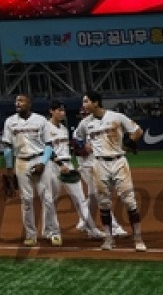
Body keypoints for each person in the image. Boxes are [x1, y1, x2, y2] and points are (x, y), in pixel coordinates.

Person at [73, 91, 147, 252]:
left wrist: (129, 143)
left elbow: (138, 131)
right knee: (104, 203)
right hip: (99, 164)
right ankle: (108, 238)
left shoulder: (116, 117)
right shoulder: (85, 123)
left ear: (96, 102)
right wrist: (82, 146)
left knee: (129, 201)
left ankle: (138, 238)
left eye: (86, 101)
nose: (84, 105)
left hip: (119, 161)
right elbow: (77, 138)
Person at [38, 101, 104, 242]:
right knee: (51, 201)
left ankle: (92, 230)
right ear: (51, 111)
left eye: (64, 110)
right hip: (53, 166)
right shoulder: (45, 127)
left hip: (68, 164)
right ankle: (47, 230)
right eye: (59, 110)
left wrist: (68, 164)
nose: (63, 113)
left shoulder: (63, 128)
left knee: (80, 199)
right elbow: (46, 149)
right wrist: (60, 163)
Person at [1, 94, 56, 247]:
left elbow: (49, 145)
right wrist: (9, 169)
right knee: (26, 200)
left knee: (48, 199)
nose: (17, 103)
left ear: (29, 103)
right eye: (16, 101)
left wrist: (43, 163)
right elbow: (7, 147)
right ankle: (31, 234)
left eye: (21, 101)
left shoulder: (40, 120)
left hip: (39, 159)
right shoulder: (10, 121)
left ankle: (53, 232)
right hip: (21, 161)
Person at [74, 108, 128, 240]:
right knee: (100, 195)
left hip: (100, 165)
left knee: (94, 196)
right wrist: (84, 149)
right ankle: (115, 228)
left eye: (87, 114)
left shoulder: (99, 126)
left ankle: (85, 221)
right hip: (87, 167)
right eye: (83, 114)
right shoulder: (79, 130)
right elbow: (76, 150)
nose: (85, 116)